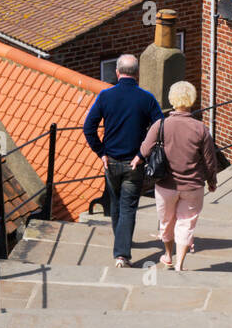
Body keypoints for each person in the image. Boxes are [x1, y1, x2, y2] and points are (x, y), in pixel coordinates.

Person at [83, 54, 161, 268]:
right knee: (127, 207)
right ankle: (122, 254)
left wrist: (101, 152)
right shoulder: (147, 98)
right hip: (134, 162)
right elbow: (159, 128)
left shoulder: (105, 96)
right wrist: (142, 155)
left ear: (117, 73)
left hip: (111, 161)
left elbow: (88, 128)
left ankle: (121, 244)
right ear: (137, 74)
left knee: (116, 203)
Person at [140, 80, 218, 272]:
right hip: (193, 186)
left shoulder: (161, 125)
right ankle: (180, 264)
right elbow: (210, 160)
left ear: (172, 100)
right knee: (186, 223)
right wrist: (212, 181)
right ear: (191, 100)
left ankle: (167, 255)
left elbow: (144, 149)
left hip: (166, 185)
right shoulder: (200, 128)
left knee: (166, 222)